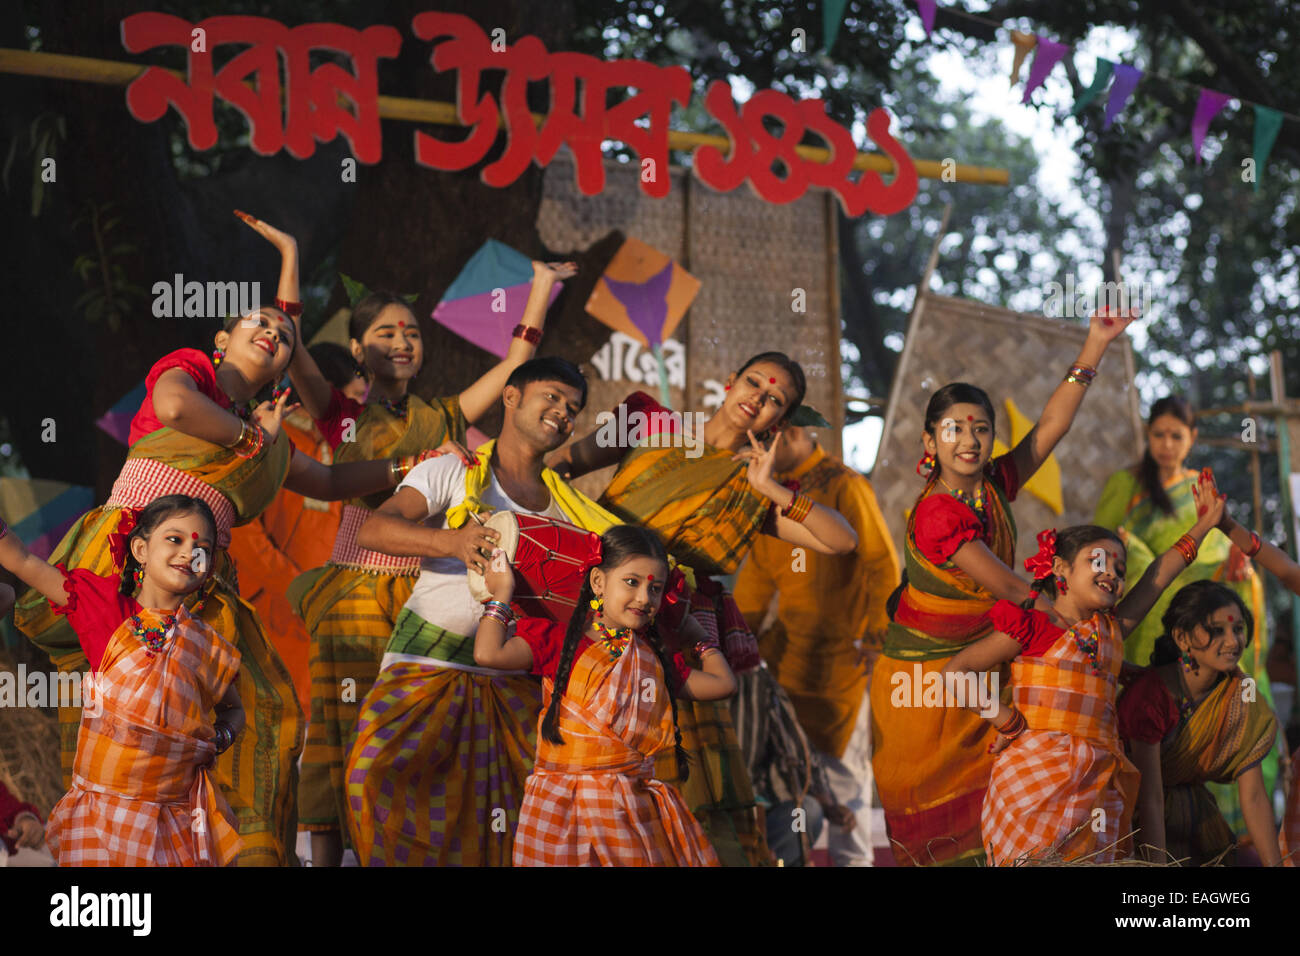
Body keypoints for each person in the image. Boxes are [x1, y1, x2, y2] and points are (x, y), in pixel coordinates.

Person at [13, 211, 437, 865]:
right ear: (220, 338)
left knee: (264, 710)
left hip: (202, 582)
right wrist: (253, 432)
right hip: (128, 559)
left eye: (281, 334)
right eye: (255, 325)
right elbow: (182, 410)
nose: (270, 333)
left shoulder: (267, 436)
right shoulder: (193, 377)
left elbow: (325, 479)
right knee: (122, 718)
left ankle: (248, 852)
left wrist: (410, 466)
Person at [245, 204, 578, 866]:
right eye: (387, 332)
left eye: (414, 334)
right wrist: (289, 253)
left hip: (429, 595)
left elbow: (519, 363)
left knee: (420, 746)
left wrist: (540, 285)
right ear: (361, 346)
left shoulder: (444, 414)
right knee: (347, 739)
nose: (403, 342)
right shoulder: (339, 413)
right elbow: (292, 338)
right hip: (357, 594)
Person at [550, 352, 859, 866]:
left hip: (672, 638)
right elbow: (559, 471)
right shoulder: (650, 423)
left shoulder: (751, 486)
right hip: (592, 620)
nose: (758, 398)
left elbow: (841, 541)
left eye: (774, 400)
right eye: (754, 383)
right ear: (730, 381)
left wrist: (770, 488)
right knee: (585, 765)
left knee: (682, 793)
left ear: (778, 421)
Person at [871, 308, 1135, 866]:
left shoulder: (993, 486)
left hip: (983, 666)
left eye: (981, 428)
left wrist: (1095, 344)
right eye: (954, 429)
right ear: (930, 439)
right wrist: (1066, 613)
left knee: (1004, 817)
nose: (969, 440)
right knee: (939, 840)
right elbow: (1012, 588)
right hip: (926, 686)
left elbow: (1051, 430)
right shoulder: (938, 514)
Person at [343, 357, 622, 865]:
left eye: (574, 408)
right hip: (426, 670)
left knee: (504, 828)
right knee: (377, 785)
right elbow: (373, 529)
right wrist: (452, 540)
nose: (563, 413)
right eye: (552, 397)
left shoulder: (568, 509)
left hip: (512, 689)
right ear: (510, 397)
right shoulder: (456, 469)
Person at [944, 491, 1223, 864]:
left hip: (1097, 783)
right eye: (1099, 561)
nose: (1112, 573)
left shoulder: (1112, 631)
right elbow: (955, 672)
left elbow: (1159, 574)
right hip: (1033, 782)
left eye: (1120, 570)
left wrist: (1204, 525)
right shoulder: (1035, 626)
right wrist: (1006, 721)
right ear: (1060, 568)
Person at [1, 496, 242, 865]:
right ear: (141, 549)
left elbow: (233, 711)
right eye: (175, 539)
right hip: (104, 816)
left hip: (176, 819)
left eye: (202, 548)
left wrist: (216, 740)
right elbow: (23, 561)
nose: (189, 551)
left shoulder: (207, 646)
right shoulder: (103, 607)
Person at [475, 524, 731, 866]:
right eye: (632, 582)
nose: (644, 597)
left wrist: (698, 638)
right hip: (561, 810)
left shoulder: (651, 661)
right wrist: (500, 595)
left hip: (630, 814)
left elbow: (724, 684)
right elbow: (488, 654)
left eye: (655, 589)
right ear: (598, 582)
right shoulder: (562, 641)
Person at [1093, 396, 1280, 834]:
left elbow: (1221, 544)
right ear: (1147, 435)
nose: (1166, 443)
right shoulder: (1126, 484)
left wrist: (1238, 563)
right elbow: (1101, 546)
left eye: (1176, 435)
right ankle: (1142, 831)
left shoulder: (1202, 486)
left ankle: (1229, 824)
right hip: (1148, 614)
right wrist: (1133, 553)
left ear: (1192, 438)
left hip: (1201, 610)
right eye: (1158, 434)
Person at [733, 424, 899, 865]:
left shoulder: (845, 484)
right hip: (784, 664)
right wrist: (733, 641)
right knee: (787, 784)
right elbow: (756, 581)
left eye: (764, 440)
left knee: (845, 783)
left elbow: (882, 565)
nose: (758, 451)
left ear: (788, 433)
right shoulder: (767, 491)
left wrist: (878, 636)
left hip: (841, 662)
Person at [226, 343, 363, 718]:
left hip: (325, 615)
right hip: (270, 606)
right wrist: (292, 586)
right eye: (349, 400)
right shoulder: (268, 436)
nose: (354, 413)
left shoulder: (346, 450)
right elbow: (242, 528)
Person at [1119, 580, 1280, 865]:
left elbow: (1254, 796)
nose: (1233, 642)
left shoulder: (1240, 693)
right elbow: (1150, 799)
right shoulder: (1151, 695)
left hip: (1197, 820)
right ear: (1182, 638)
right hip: (1134, 823)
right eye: (1216, 631)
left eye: (1238, 629)